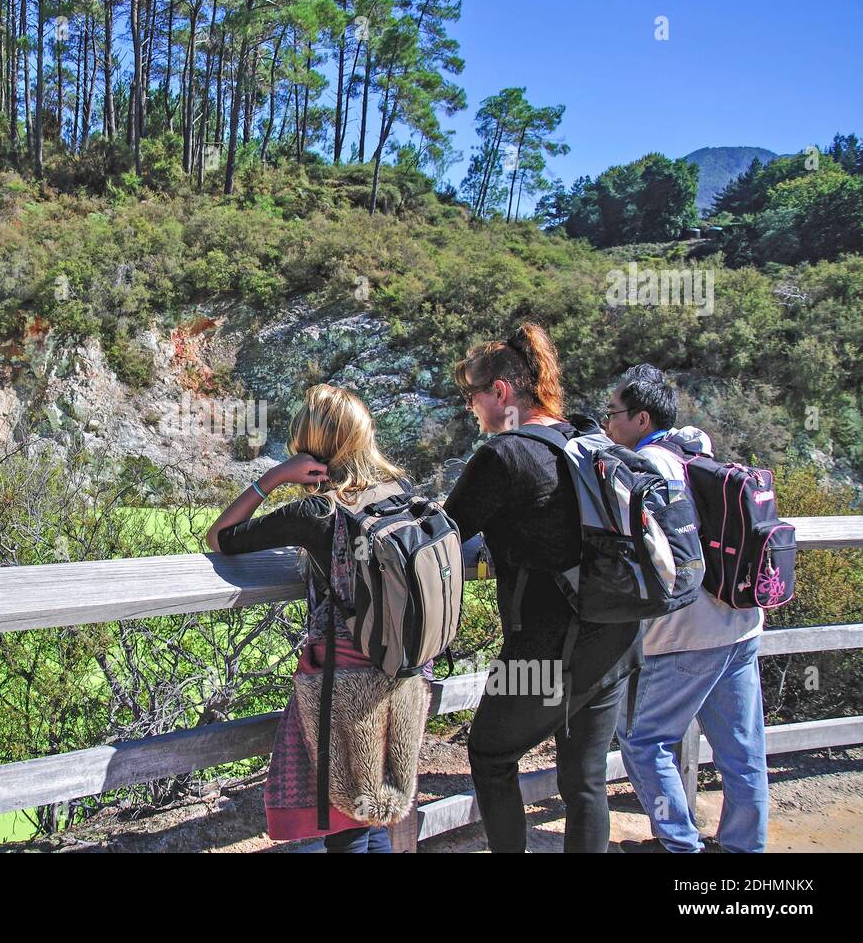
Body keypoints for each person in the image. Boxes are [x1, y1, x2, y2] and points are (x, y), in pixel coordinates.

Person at [442, 322, 643, 853]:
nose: (472, 409)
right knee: (585, 779)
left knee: (489, 754)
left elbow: (440, 536)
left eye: (472, 396)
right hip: (617, 637)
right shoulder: (583, 439)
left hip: (549, 650)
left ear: (501, 392)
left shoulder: (503, 455)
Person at [205, 382, 423, 853]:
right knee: (371, 812)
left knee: (344, 822)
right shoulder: (397, 492)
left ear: (312, 448)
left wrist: (274, 478)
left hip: (342, 680)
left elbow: (220, 536)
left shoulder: (317, 512)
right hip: (399, 670)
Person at [601, 364, 768, 853]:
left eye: (613, 414)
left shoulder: (647, 467)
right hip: (740, 623)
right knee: (743, 752)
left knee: (642, 738)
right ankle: (744, 848)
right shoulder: (699, 453)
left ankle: (679, 846)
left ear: (641, 418)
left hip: (686, 635)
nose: (607, 423)